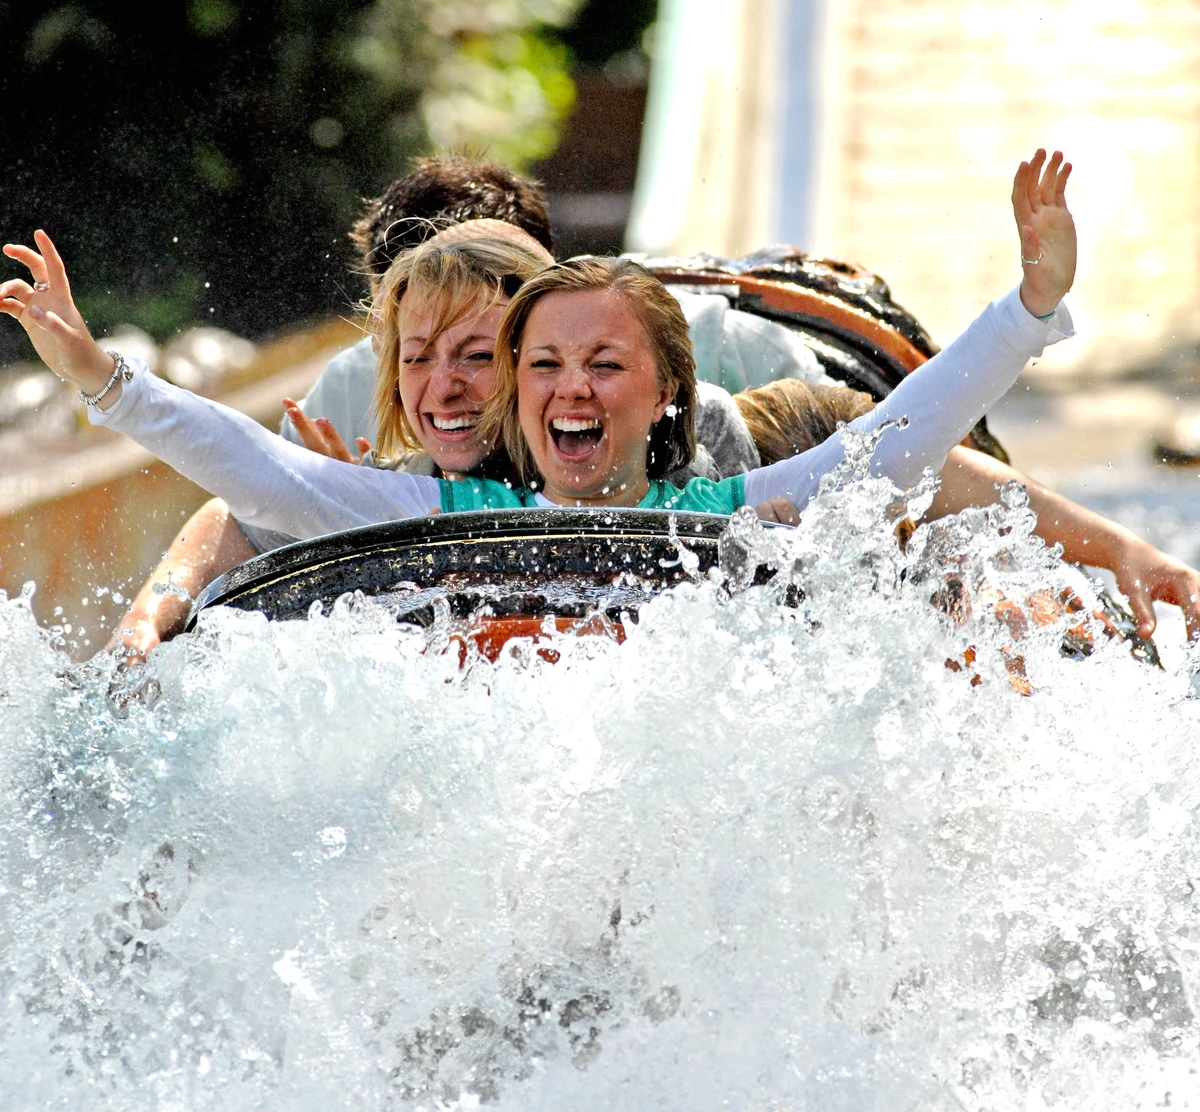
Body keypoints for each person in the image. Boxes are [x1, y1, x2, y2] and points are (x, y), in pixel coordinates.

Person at [6, 151, 1199, 641]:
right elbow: (253, 475)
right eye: (541, 370)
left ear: (665, 388)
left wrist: (1032, 307)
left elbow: (914, 435)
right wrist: (102, 379)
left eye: (602, 368)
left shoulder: (738, 480)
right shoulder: (432, 497)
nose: (566, 391)